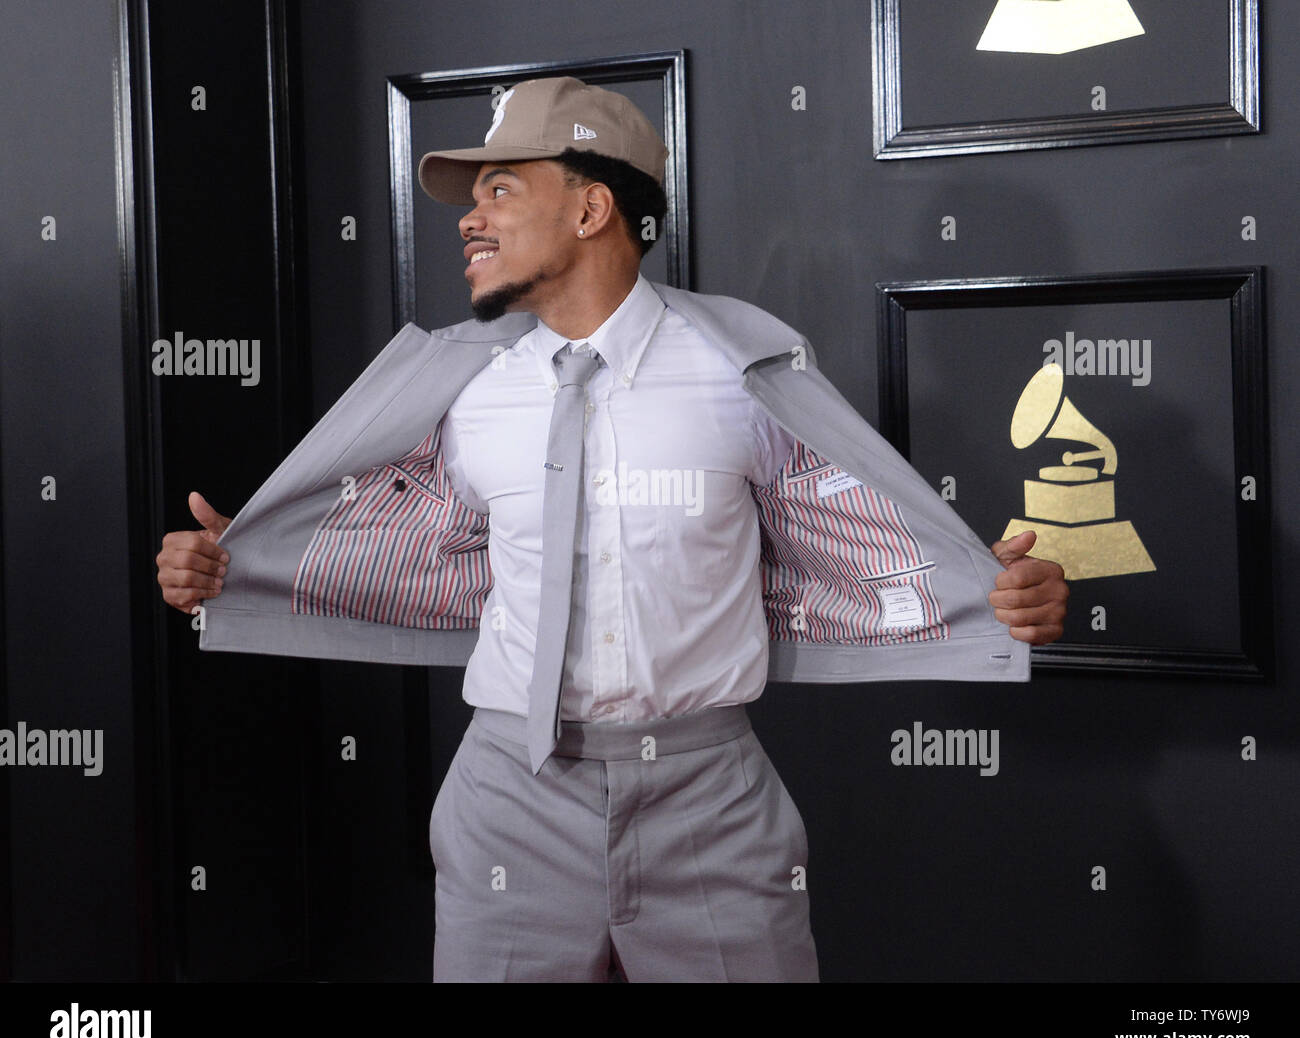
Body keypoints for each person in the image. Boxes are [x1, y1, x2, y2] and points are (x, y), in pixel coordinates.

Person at [156, 76, 1067, 982]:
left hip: (709, 804)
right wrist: (236, 562)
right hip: (508, 799)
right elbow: (401, 539)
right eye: (473, 201)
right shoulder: (463, 391)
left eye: (501, 190)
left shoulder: (742, 372)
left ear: (592, 208)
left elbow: (848, 531)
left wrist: (992, 597)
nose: (471, 221)